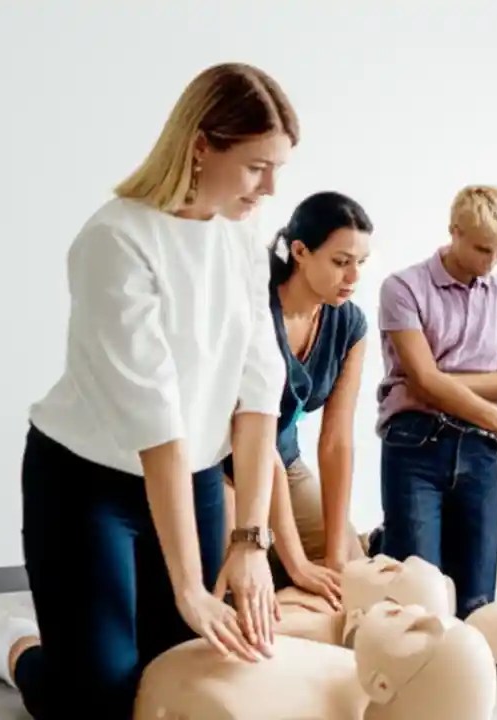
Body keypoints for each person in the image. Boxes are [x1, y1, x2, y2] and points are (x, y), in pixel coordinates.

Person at [0, 63, 297, 718]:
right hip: (87, 486)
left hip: (193, 481)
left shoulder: (241, 239)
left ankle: (76, 647)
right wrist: (189, 587)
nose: (270, 188)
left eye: (279, 168)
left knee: (176, 677)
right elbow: (158, 425)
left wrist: (250, 543)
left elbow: (260, 394)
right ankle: (19, 650)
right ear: (201, 146)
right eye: (257, 167)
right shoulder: (115, 240)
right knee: (102, 696)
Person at [375, 185, 497, 619]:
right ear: (453, 231)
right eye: (481, 248)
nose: (491, 261)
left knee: (477, 601)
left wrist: (439, 381)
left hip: (478, 448)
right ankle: (384, 548)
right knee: (419, 599)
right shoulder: (402, 288)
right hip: (415, 444)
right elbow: (424, 383)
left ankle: (388, 544)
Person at [220, 191, 374, 611]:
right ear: (301, 252)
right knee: (244, 586)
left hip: (284, 462)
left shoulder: (350, 323)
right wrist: (298, 562)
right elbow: (255, 439)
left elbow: (336, 442)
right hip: (224, 465)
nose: (353, 276)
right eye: (341, 262)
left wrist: (337, 554)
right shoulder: (255, 308)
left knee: (353, 575)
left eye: (361, 263)